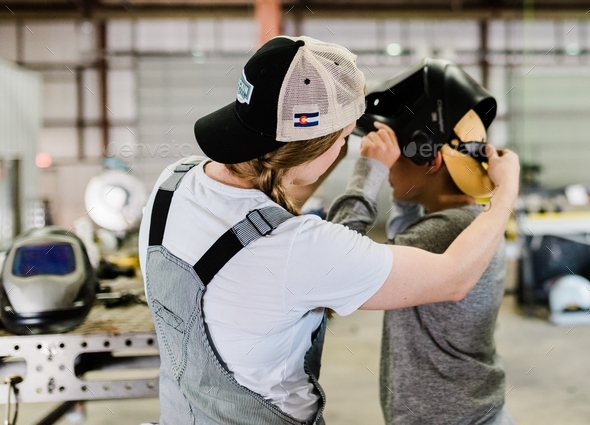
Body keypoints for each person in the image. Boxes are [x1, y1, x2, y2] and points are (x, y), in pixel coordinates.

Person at [138, 37, 519, 425]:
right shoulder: (295, 249)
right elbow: (453, 277)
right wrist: (506, 194)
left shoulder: (175, 181)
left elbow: (274, 185)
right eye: (341, 141)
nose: (344, 150)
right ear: (313, 146)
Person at [328, 59, 515, 424]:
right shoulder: (472, 222)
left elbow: (330, 270)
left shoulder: (437, 235)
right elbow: (404, 235)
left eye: (396, 153)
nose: (389, 163)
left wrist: (370, 171)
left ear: (429, 160)